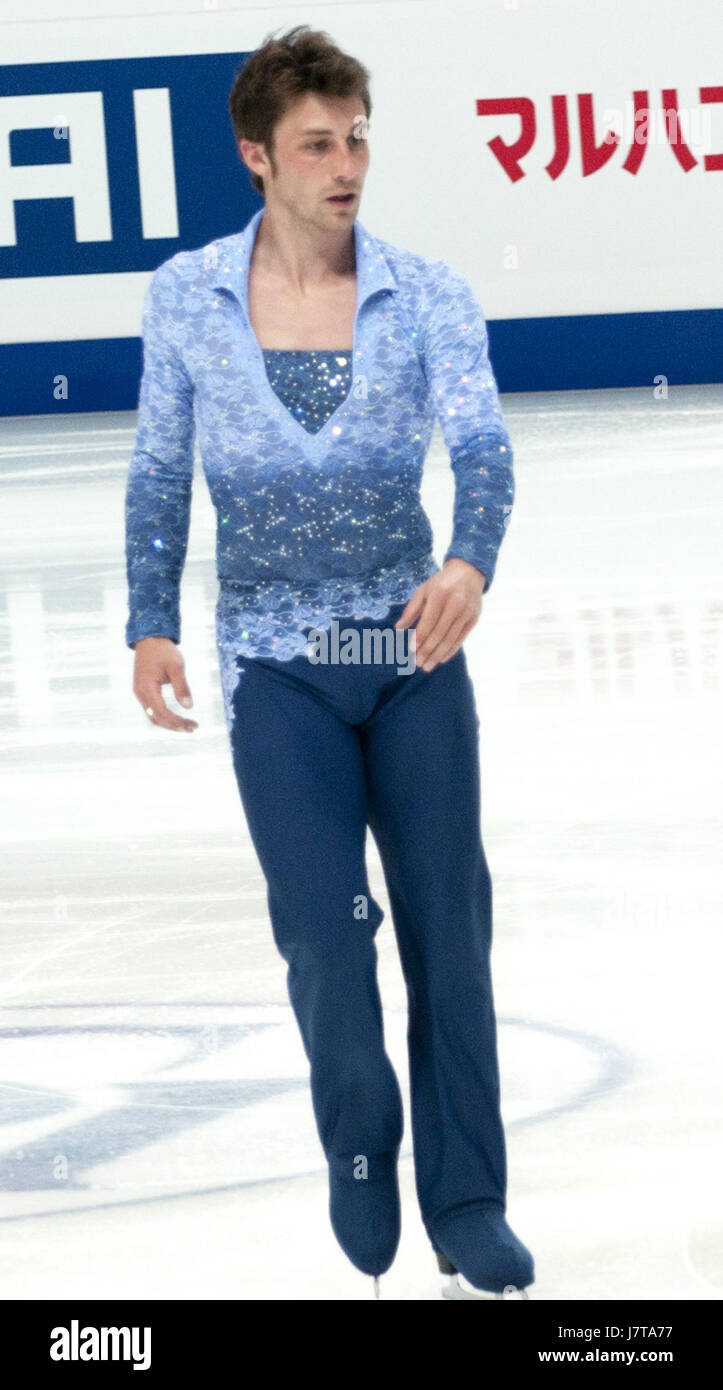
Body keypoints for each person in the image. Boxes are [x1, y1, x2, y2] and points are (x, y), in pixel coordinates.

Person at [124, 24, 534, 1300]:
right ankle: (363, 1151)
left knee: (445, 929)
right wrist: (152, 619)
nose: (348, 162)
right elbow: (156, 469)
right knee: (325, 933)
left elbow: (485, 451)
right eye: (319, 143)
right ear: (259, 156)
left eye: (358, 136)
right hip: (278, 666)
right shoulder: (188, 296)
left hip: (406, 651)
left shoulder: (428, 291)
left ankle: (466, 1199)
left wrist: (467, 559)